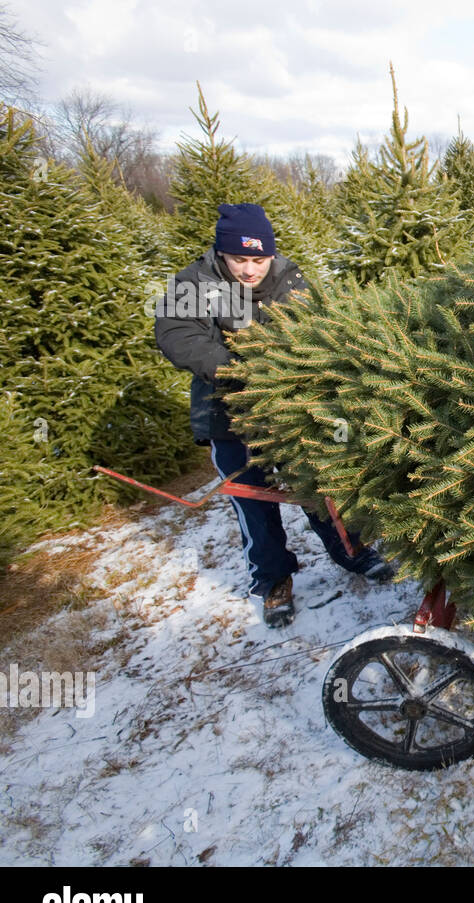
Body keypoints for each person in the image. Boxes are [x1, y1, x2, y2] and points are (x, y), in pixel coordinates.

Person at [154, 202, 395, 628]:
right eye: (240, 259)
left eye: (258, 259)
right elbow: (176, 334)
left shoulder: (289, 278)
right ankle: (272, 579)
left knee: (320, 486)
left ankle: (353, 552)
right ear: (222, 254)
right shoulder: (195, 282)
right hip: (229, 416)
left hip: (292, 412)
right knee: (253, 502)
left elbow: (318, 327)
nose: (250, 270)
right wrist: (234, 367)